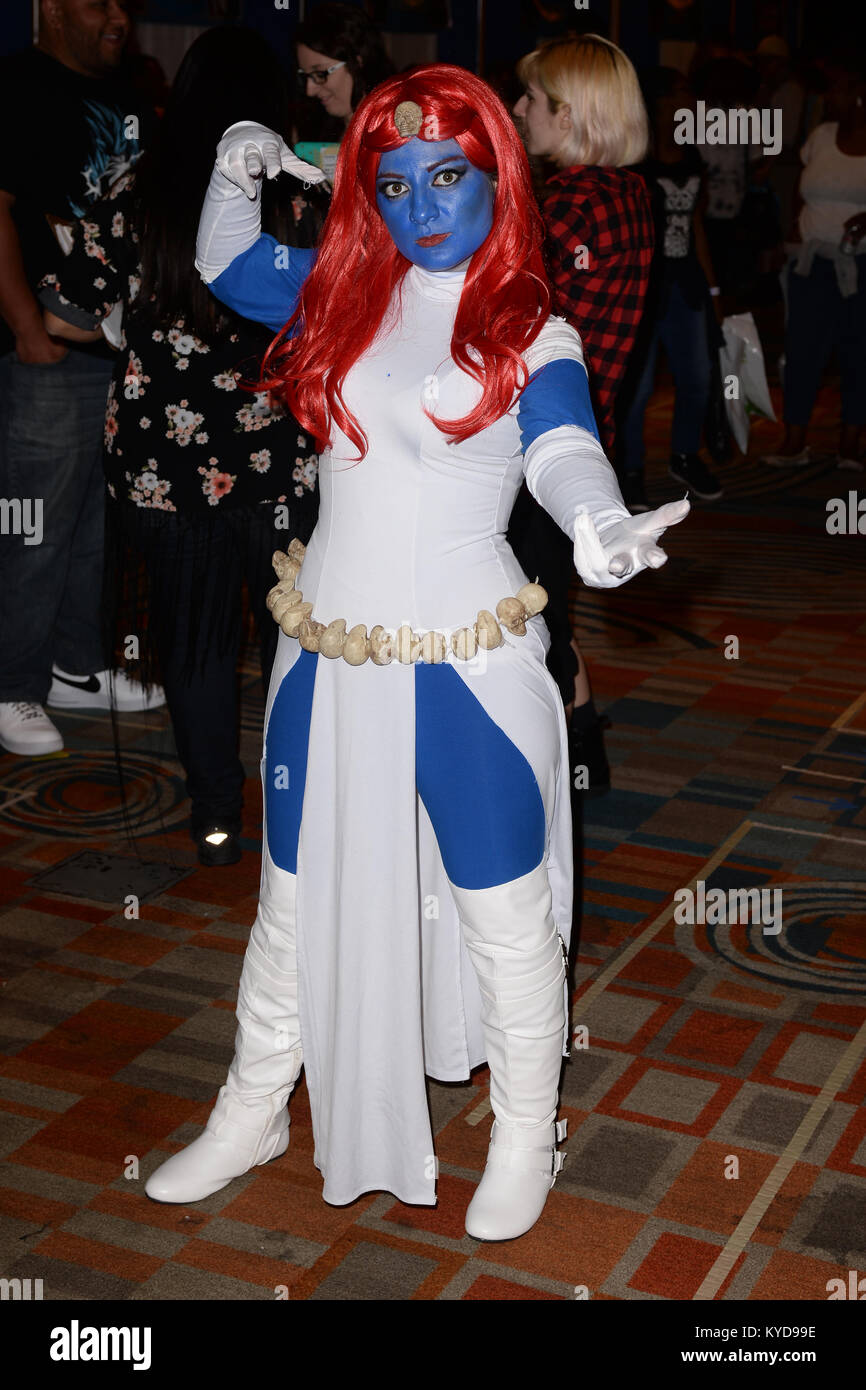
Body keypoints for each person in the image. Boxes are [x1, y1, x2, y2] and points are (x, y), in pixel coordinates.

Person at [144, 66, 689, 1241]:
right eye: (388, 183)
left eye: (446, 175)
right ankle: (253, 1107)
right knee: (286, 903)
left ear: (498, 175)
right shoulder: (341, 296)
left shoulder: (526, 327)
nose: (417, 203)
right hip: (327, 652)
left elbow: (560, 446)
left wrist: (597, 523)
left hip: (464, 661)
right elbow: (223, 262)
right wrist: (246, 148)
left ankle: (524, 1125)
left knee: (505, 916)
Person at [38, 28, 324, 867]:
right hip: (280, 456)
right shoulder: (298, 194)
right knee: (294, 641)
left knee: (195, 644)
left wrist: (135, 334)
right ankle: (297, 815)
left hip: (162, 462)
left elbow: (62, 315)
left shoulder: (135, 185)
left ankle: (213, 816)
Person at [0, 0, 164, 759]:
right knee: (30, 526)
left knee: (95, 526)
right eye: (99, 3)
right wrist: (27, 328)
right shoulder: (17, 86)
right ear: (55, 8)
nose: (118, 17)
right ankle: (11, 684)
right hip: (48, 349)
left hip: (113, 349)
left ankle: (75, 665)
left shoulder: (128, 92)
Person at [510, 32, 654, 794]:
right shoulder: (630, 193)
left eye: (530, 100)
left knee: (530, 612)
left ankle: (559, 762)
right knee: (546, 602)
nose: (518, 109)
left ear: (566, 115)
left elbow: (497, 312)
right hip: (583, 431)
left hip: (538, 435)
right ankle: (583, 756)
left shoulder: (567, 204)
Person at [618, 68, 725, 509]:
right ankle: (630, 470)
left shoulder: (692, 154)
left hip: (687, 284)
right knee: (639, 389)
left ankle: (684, 455)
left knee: (697, 377)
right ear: (659, 101)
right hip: (645, 287)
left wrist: (715, 291)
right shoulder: (636, 157)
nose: (689, 100)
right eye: (681, 91)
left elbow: (696, 222)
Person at [760, 50, 866, 471]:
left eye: (838, 90)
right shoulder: (821, 135)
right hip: (810, 263)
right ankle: (795, 439)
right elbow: (804, 188)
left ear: (860, 94)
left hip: (859, 267)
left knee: (857, 352)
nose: (828, 98)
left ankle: (850, 444)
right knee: (802, 351)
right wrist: (792, 227)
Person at [295, 0, 395, 135]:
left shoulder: (396, 131)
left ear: (358, 62)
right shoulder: (318, 126)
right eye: (306, 76)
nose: (310, 91)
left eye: (320, 74)